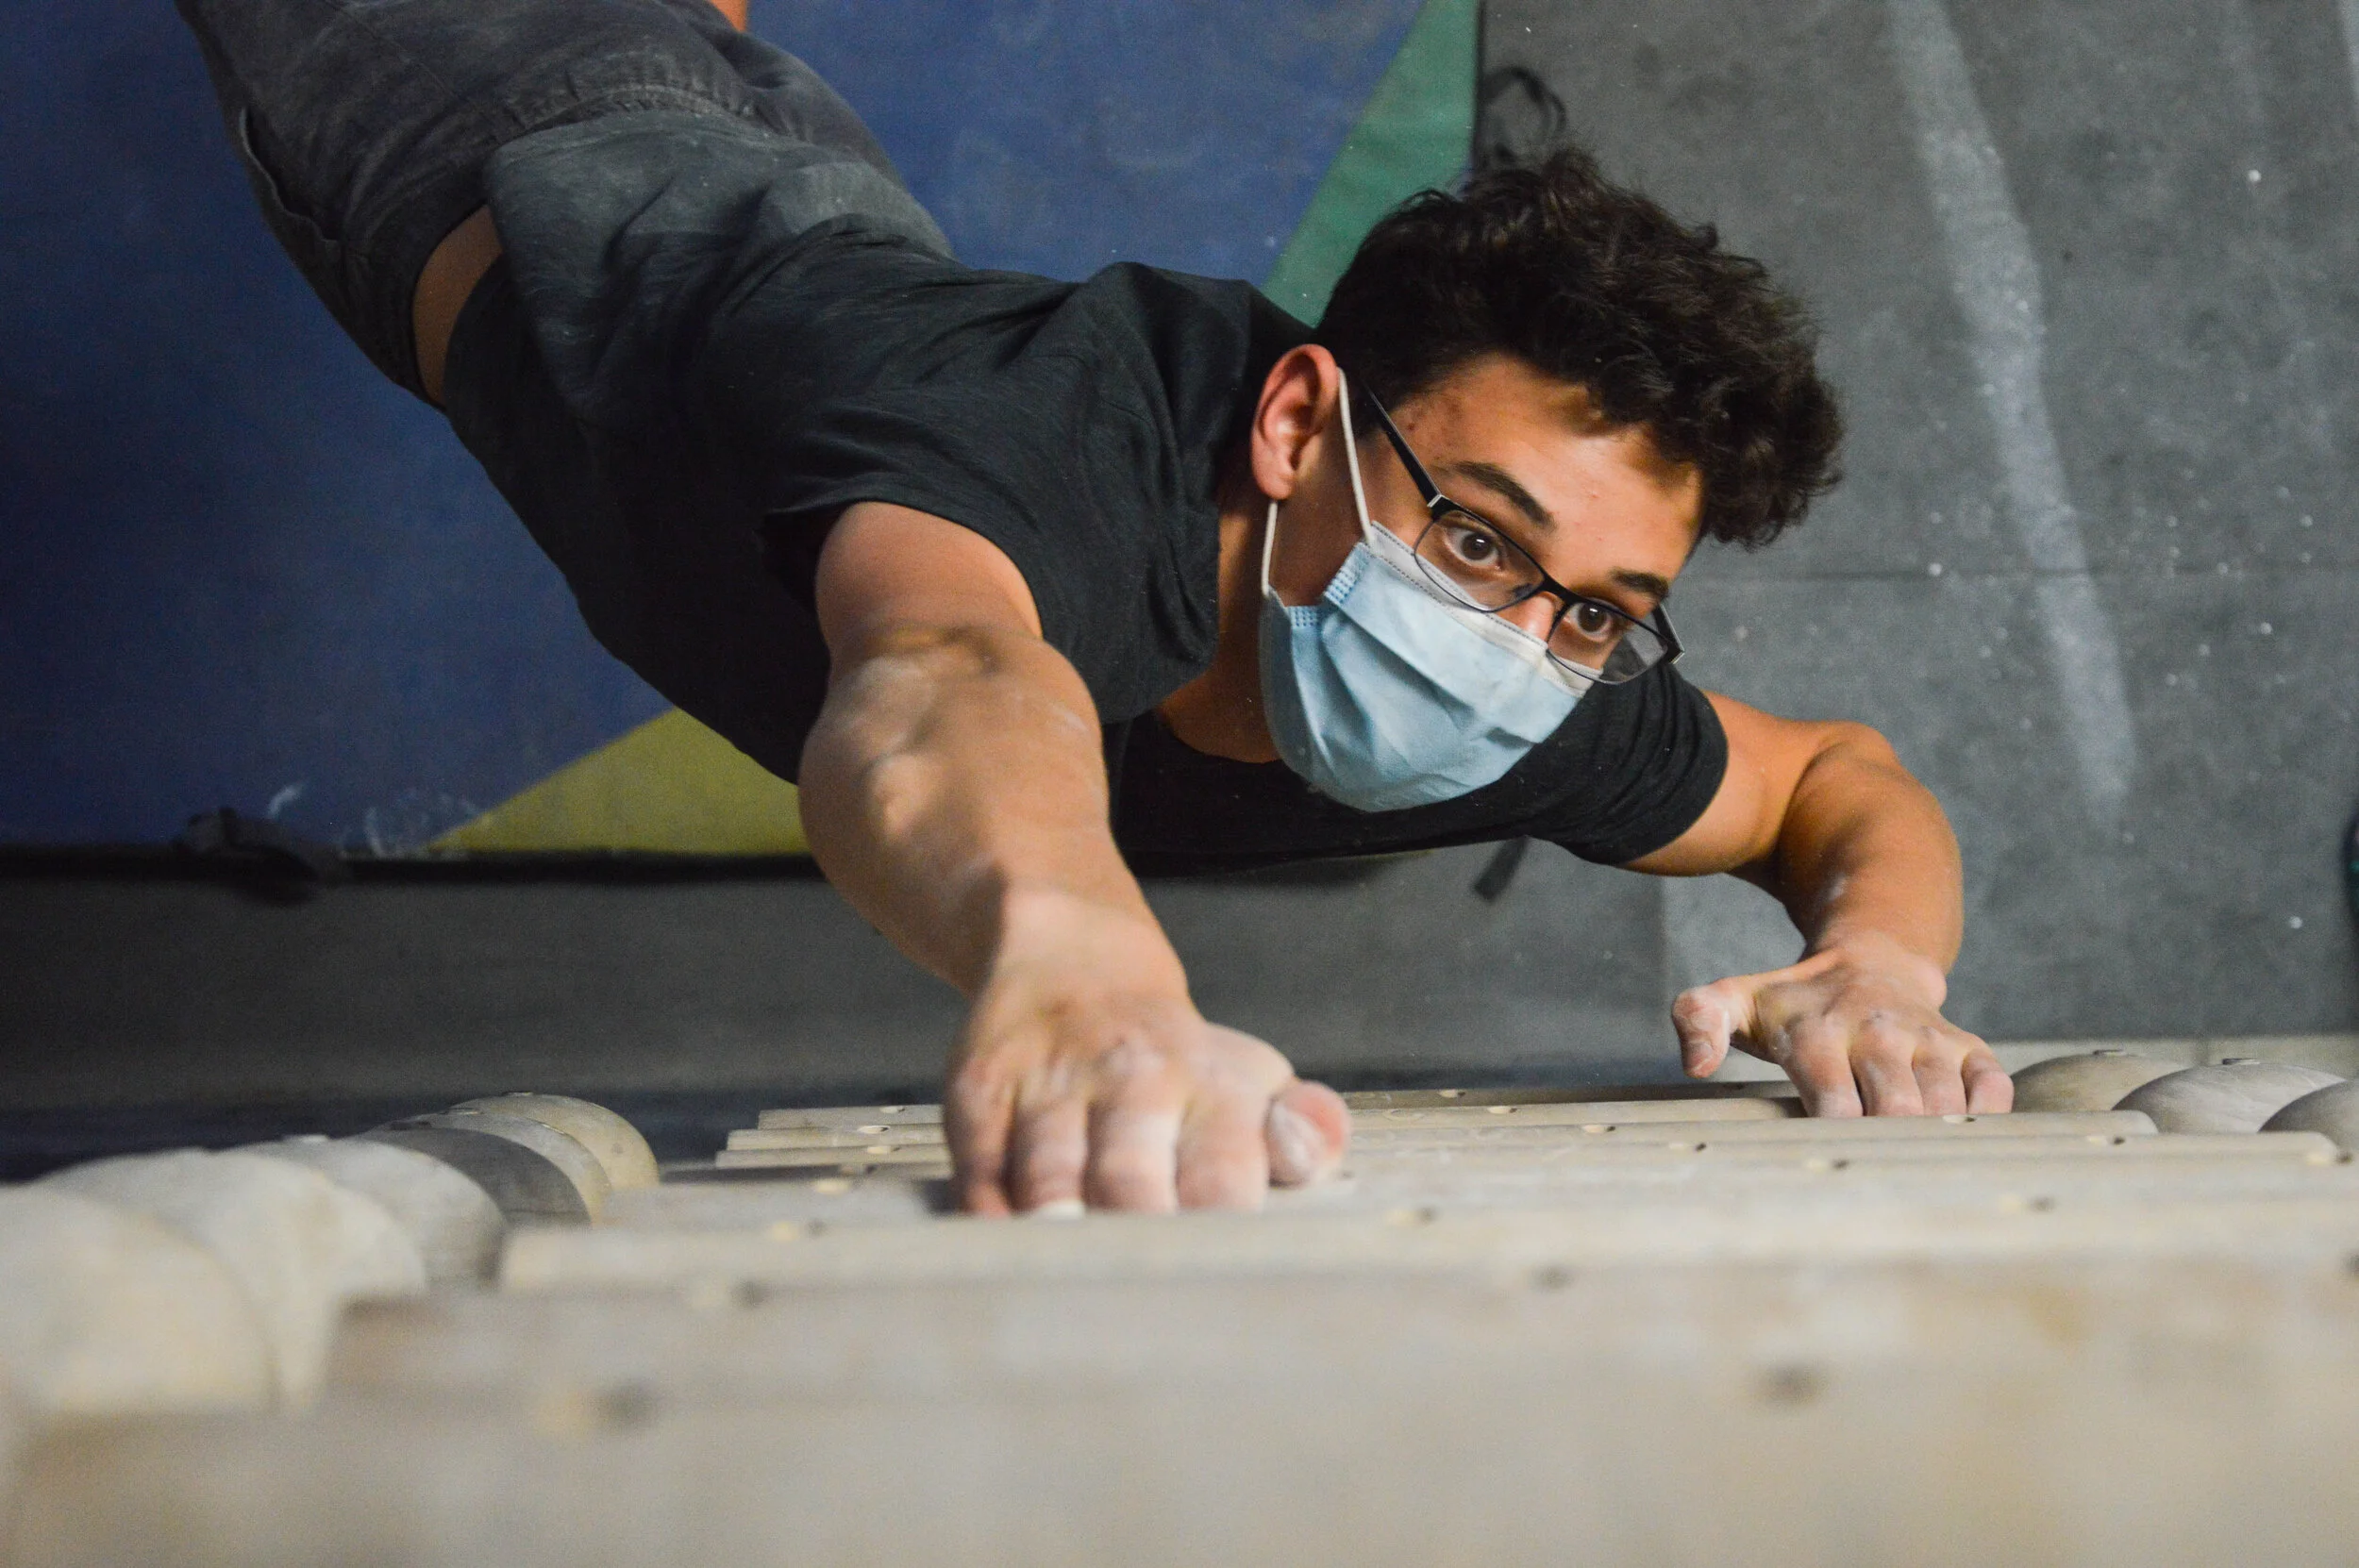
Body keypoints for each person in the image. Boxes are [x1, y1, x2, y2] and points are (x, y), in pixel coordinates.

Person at [176, 0, 2012, 1215]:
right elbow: (940, 670)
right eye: (1477, 541)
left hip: (765, 178)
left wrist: (1878, 964)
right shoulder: (1049, 461)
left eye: (1598, 608)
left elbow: (1829, 779)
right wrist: (1072, 954)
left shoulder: (1522, 676)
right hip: (487, 101)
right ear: (1295, 427)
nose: (1516, 640)